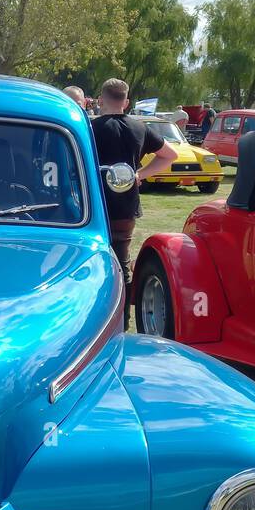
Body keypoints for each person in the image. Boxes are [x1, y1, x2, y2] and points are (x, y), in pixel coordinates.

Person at [90, 77, 177, 327]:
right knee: (122, 261)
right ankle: (123, 321)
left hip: (93, 206)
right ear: (126, 102)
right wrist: (140, 175)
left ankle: (97, 318)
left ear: (100, 100)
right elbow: (168, 155)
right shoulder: (139, 128)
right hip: (126, 204)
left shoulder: (90, 128)